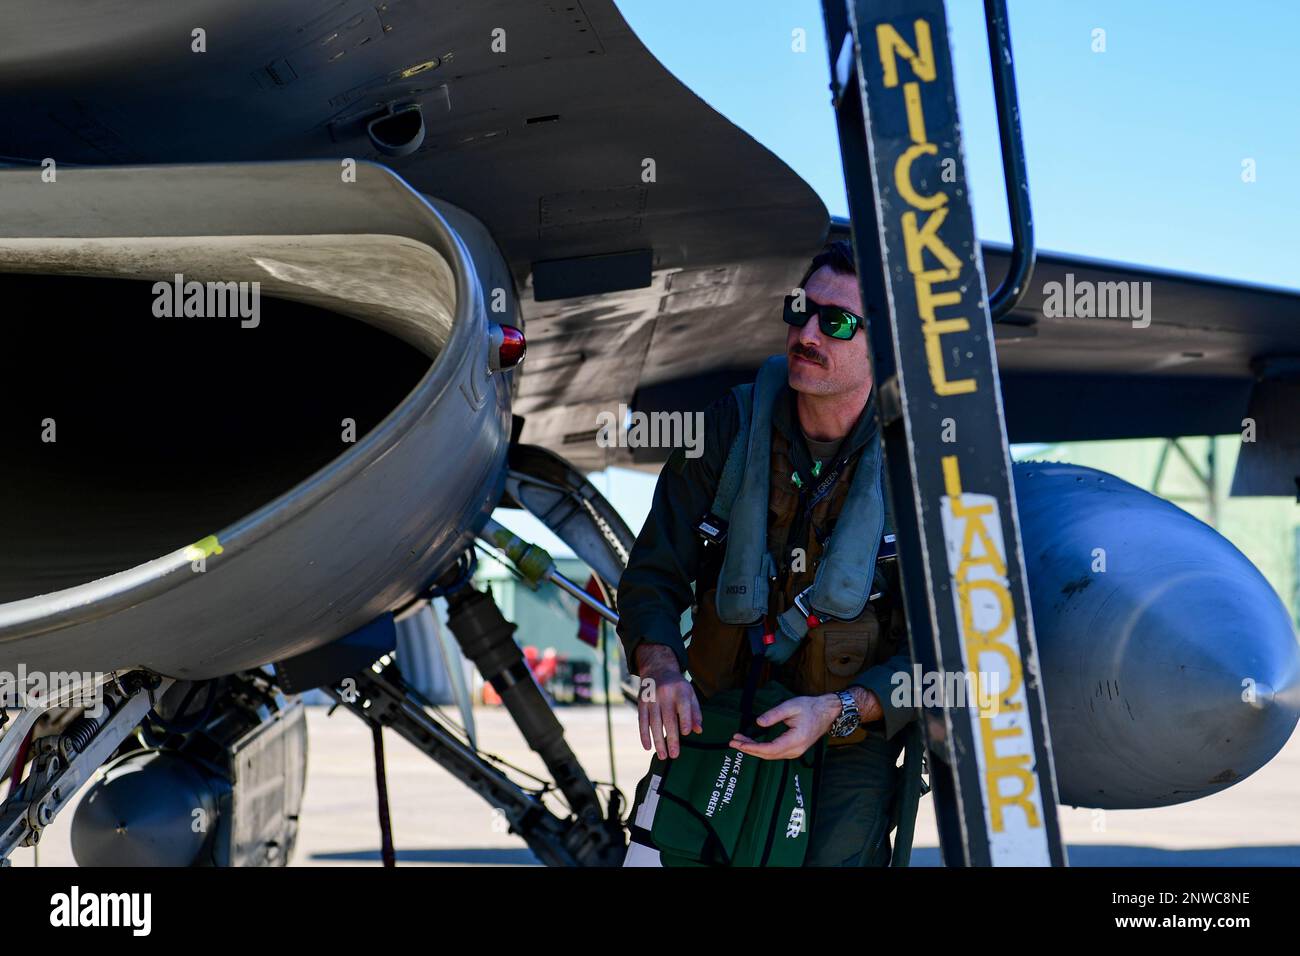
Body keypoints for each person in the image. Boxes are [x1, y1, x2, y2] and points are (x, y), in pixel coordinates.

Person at [616, 239, 920, 867]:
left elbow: (948, 657)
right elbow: (653, 573)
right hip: (722, 712)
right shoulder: (727, 430)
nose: (807, 332)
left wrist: (839, 709)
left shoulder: (917, 474)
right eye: (799, 310)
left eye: (835, 322)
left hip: (843, 736)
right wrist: (662, 669)